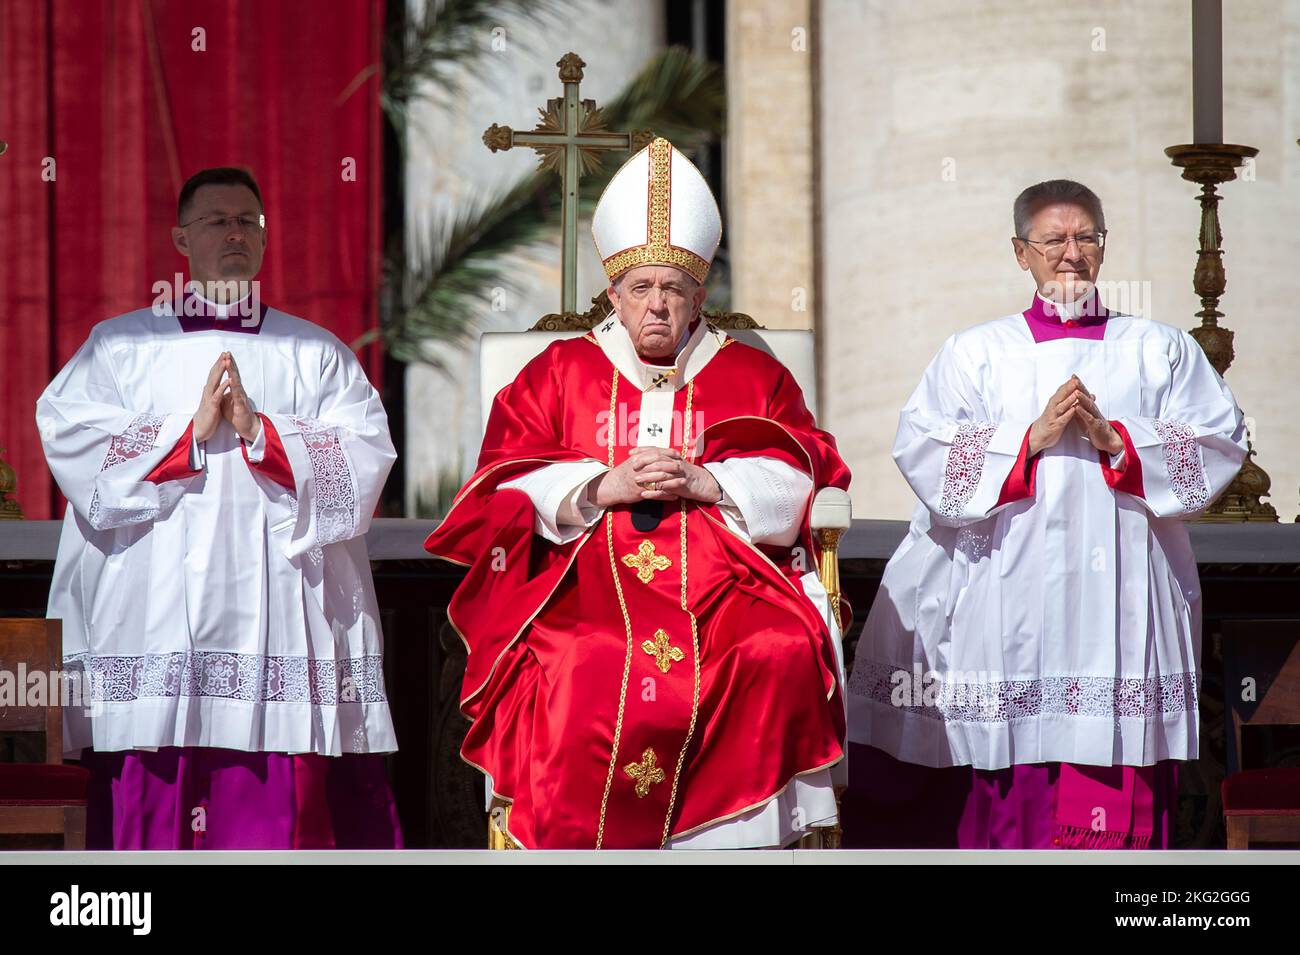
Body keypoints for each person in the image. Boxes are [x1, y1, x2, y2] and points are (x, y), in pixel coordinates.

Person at [424, 138, 851, 849]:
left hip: (727, 584)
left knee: (775, 648)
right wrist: (598, 484)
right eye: (642, 289)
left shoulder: (751, 374)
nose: (657, 305)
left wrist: (711, 482)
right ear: (613, 295)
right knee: (579, 658)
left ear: (700, 292)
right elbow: (500, 479)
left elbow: (808, 467)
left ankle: (742, 844)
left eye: (673, 289)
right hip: (586, 579)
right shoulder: (561, 370)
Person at [846, 179, 1248, 849]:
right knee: (1010, 786)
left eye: (1086, 237)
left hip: (1126, 601)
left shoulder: (1158, 347)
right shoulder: (975, 352)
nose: (1072, 254)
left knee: (1118, 773)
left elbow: (1218, 440)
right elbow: (921, 446)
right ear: (1020, 252)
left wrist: (1117, 439)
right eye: (1053, 240)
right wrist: (1024, 442)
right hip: (1010, 605)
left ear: (1103, 247)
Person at [37, 166, 401, 849]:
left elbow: (366, 457)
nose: (235, 233)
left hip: (283, 620)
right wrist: (188, 433)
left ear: (264, 240)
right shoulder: (122, 346)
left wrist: (265, 433)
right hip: (154, 612)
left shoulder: (313, 352)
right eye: (217, 221)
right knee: (155, 790)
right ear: (180, 237)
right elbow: (68, 432)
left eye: (248, 222)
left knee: (276, 801)